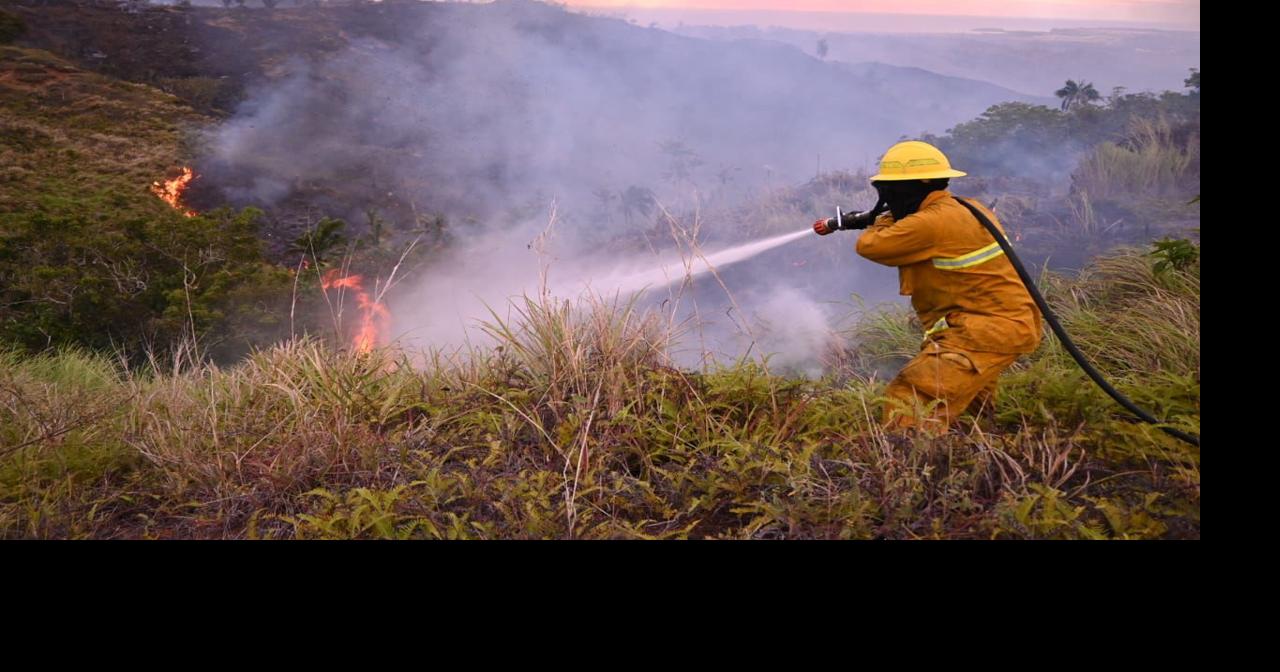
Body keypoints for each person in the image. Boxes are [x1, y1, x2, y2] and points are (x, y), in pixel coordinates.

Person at [814, 140, 1042, 433]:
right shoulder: (968, 208)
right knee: (968, 415)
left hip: (981, 331)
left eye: (890, 190)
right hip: (995, 325)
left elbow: (870, 245)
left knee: (913, 397)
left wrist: (883, 220)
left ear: (909, 188)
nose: (887, 197)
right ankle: (975, 463)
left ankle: (905, 468)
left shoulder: (930, 223)